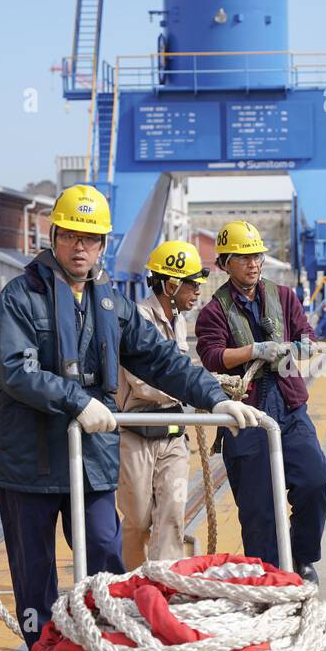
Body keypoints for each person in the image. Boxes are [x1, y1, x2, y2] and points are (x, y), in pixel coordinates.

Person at [0, 186, 261, 651]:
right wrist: (75, 402)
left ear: (104, 243)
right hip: (30, 463)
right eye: (72, 236)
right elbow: (12, 367)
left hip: (90, 460)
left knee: (106, 557)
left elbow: (161, 360)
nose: (81, 247)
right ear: (55, 236)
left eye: (91, 238)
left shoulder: (111, 303)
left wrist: (215, 398)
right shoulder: (19, 298)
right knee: (35, 573)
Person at [195, 220, 326, 582]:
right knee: (259, 508)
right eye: (243, 258)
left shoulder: (284, 297)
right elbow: (211, 356)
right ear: (225, 263)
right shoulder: (214, 311)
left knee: (316, 478)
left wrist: (299, 346)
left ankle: (302, 557)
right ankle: (269, 576)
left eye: (256, 256)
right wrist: (253, 350)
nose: (253, 264)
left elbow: (307, 336)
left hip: (289, 408)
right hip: (246, 417)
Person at [115, 240, 209, 569]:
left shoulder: (178, 320)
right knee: (138, 519)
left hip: (172, 434)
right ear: (171, 285)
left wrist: (194, 384)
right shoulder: (135, 320)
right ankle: (132, 586)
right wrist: (191, 387)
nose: (197, 291)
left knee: (171, 516)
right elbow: (143, 384)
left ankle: (166, 587)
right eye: (192, 284)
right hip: (136, 434)